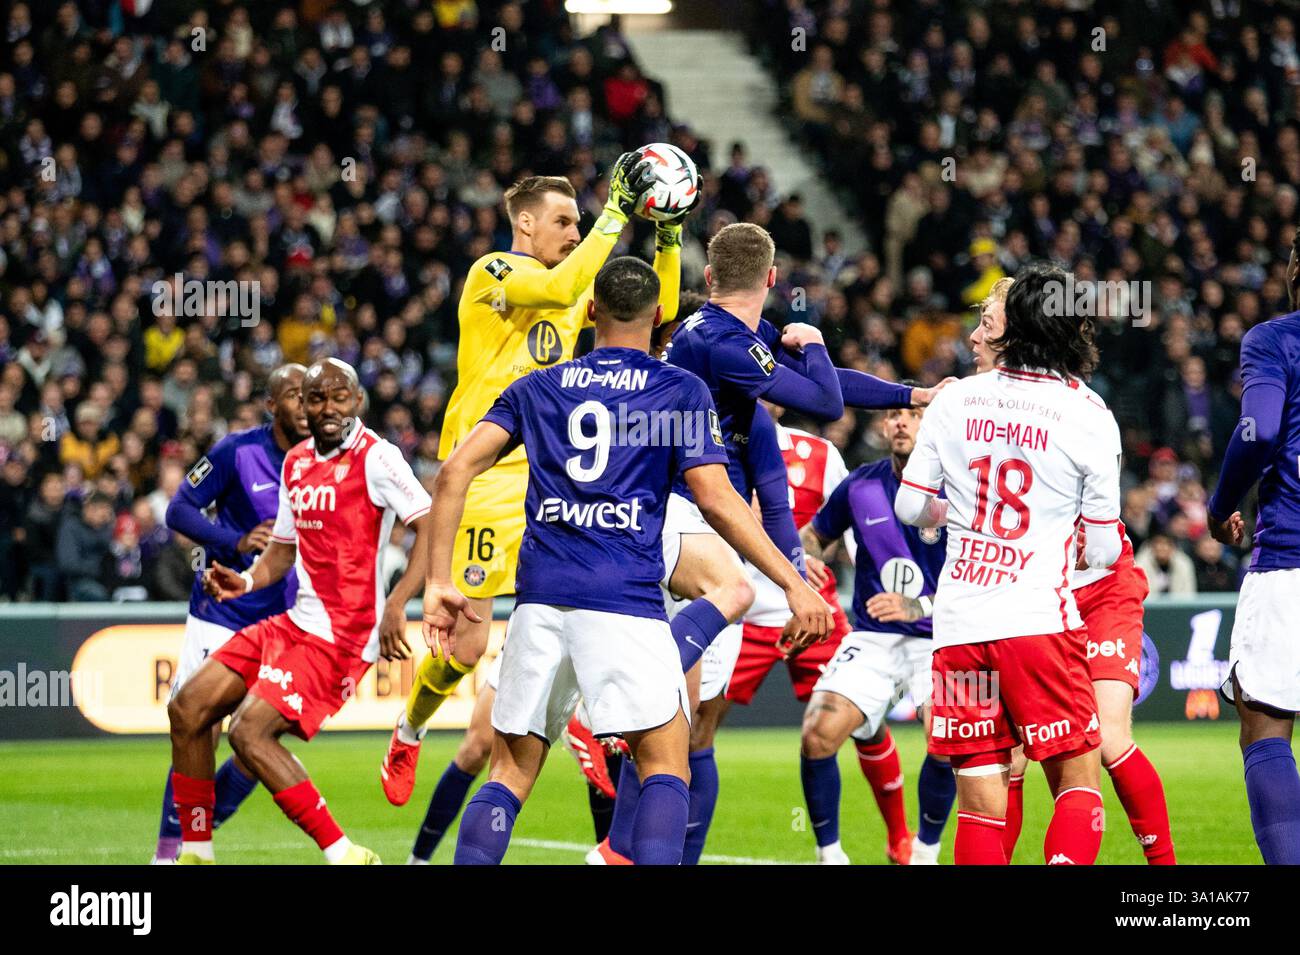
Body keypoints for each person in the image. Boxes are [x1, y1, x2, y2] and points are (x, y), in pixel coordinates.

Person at [424, 256, 833, 865]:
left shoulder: (538, 386)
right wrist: (794, 584)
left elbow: (454, 469)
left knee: (507, 776)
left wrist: (437, 582)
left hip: (539, 601)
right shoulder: (679, 390)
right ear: (661, 315)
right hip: (626, 602)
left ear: (590, 312)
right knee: (668, 764)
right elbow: (719, 501)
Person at [381, 154, 689, 806]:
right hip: (487, 473)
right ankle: (410, 725)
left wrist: (668, 236)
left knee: (596, 599)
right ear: (523, 222)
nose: (575, 233)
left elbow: (652, 313)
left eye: (580, 221)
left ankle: (592, 729)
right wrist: (615, 212)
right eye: (563, 220)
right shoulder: (491, 273)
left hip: (551, 475)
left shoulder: (575, 282)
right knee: (464, 644)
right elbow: (557, 289)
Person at [895, 262, 1123, 865]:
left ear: (1011, 329)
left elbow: (910, 504)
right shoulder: (1089, 414)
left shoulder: (956, 399)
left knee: (979, 804)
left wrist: (962, 516)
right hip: (1038, 624)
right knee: (1076, 782)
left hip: (960, 625)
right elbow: (1102, 551)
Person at [167, 359, 432, 864]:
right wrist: (243, 580)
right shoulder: (297, 463)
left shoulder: (378, 457)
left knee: (248, 732)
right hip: (292, 623)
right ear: (304, 408)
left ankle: (344, 853)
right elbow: (283, 550)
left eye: (338, 396)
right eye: (315, 399)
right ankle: (196, 851)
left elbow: (430, 519)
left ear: (356, 402)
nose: (326, 407)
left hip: (344, 637)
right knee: (187, 709)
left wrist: (400, 602)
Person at [970, 277, 1175, 865]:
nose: (974, 335)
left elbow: (1102, 539)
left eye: (987, 322)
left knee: (1105, 741)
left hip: (1093, 589)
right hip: (1020, 600)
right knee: (1002, 759)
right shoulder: (966, 403)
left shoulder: (1081, 409)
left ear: (1022, 332)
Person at [149, 363, 308, 863]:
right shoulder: (237, 451)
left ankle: (198, 827)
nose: (307, 407)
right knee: (200, 730)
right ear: (271, 405)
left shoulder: (325, 460)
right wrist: (234, 540)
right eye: (295, 397)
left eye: (313, 397)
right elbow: (180, 510)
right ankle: (170, 852)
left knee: (260, 740)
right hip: (222, 614)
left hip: (284, 620)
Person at [799, 399, 954, 866]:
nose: (901, 420)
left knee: (949, 737)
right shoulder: (861, 484)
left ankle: (924, 851)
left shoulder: (961, 485)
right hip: (874, 635)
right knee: (817, 735)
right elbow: (814, 536)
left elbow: (986, 571)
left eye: (914, 414)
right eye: (893, 415)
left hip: (945, 635)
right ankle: (831, 856)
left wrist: (919, 605)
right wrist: (800, 561)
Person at [1206, 226, 1300, 865]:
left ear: (1296, 268)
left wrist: (1220, 506)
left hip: (1289, 562)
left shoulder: (1274, 341)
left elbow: (1259, 428)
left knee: (1266, 732)